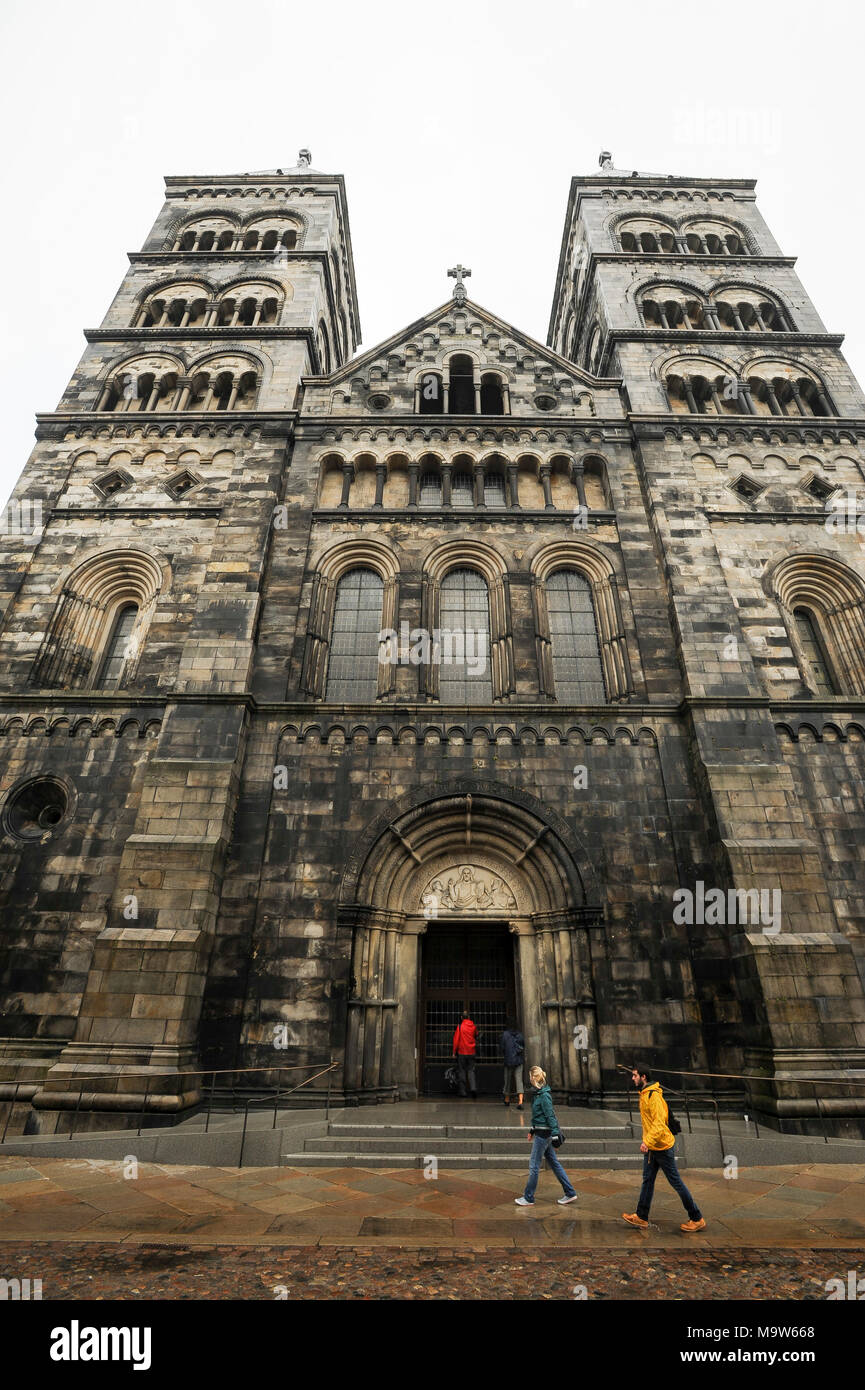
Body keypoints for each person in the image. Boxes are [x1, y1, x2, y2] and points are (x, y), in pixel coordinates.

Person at [622, 1065, 706, 1232]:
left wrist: (647, 1142)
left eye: (635, 1075)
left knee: (676, 1182)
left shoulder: (654, 1096)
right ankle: (641, 1216)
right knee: (648, 1180)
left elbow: (659, 1125)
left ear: (643, 1077)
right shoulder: (645, 1094)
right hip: (653, 1147)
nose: (632, 1078)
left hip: (661, 1146)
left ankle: (696, 1218)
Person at [515, 1065, 578, 1207]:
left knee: (534, 1166)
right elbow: (538, 1116)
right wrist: (532, 1130)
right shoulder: (539, 1094)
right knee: (554, 1164)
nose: (529, 1079)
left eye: (531, 1077)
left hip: (544, 1135)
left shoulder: (544, 1096)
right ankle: (570, 1192)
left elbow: (550, 1116)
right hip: (542, 1132)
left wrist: (555, 1136)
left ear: (533, 1078)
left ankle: (529, 1197)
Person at [452, 1010, 478, 1098]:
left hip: (462, 1052)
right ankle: (473, 1088)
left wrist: (454, 1052)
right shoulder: (473, 1026)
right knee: (471, 1071)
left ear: (461, 1017)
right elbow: (476, 1035)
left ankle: (463, 1091)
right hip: (471, 1052)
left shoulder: (460, 1027)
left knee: (462, 1071)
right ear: (469, 1017)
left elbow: (456, 1040)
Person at [501, 1018, 525, 1109]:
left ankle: (507, 1099)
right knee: (519, 1080)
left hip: (509, 1060)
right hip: (518, 1060)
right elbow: (523, 1045)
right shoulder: (520, 1035)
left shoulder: (505, 1035)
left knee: (507, 1080)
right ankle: (520, 1101)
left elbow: (502, 1047)